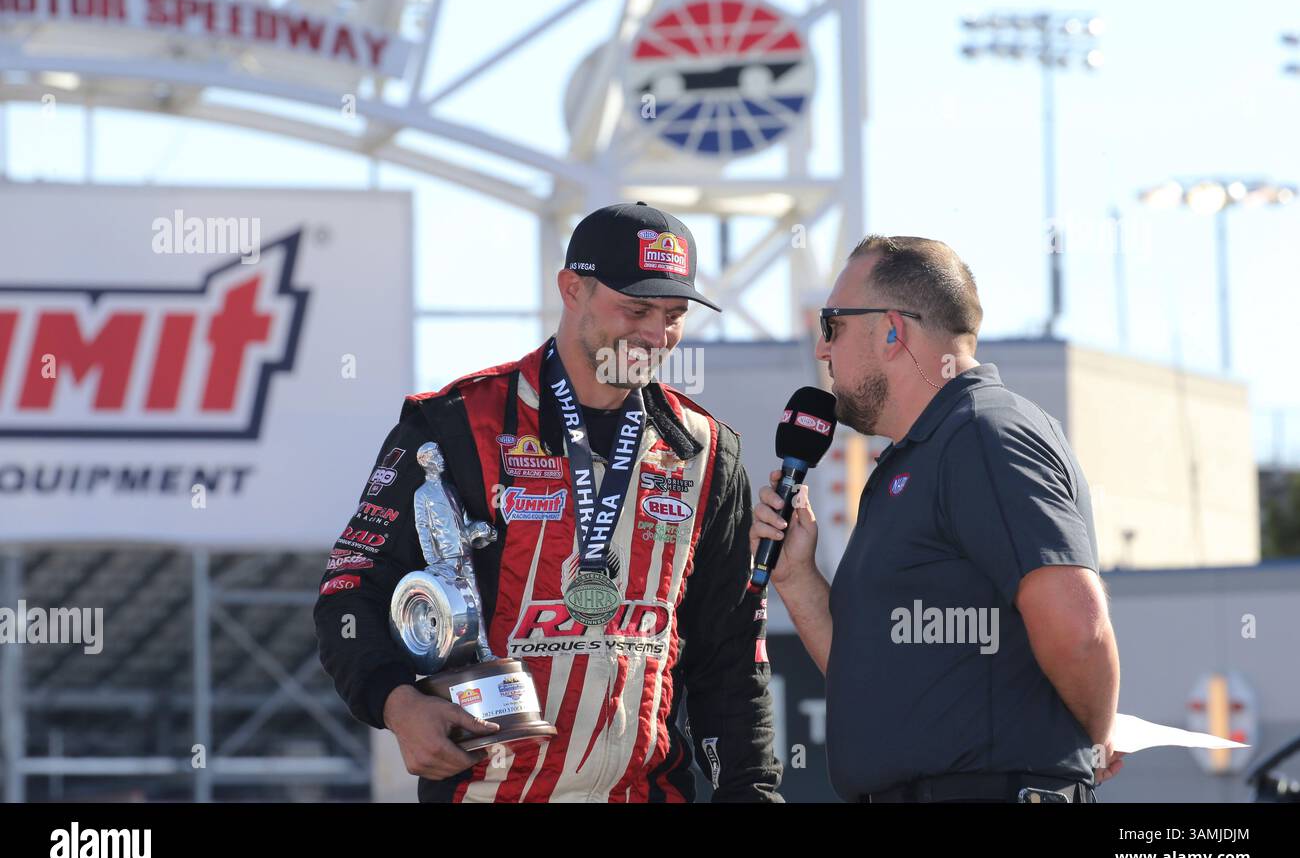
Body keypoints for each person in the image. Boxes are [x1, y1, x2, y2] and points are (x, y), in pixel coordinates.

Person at [315, 201, 781, 803]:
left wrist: (753, 791)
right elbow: (349, 591)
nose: (654, 334)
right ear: (572, 289)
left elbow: (731, 651)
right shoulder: (457, 423)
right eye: (635, 308)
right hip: (483, 791)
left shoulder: (704, 450)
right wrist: (398, 704)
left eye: (673, 314)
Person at [751, 234, 1123, 803]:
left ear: (893, 330)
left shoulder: (984, 434)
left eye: (832, 326)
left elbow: (1079, 630)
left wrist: (1090, 746)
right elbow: (872, 680)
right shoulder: (921, 454)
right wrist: (797, 578)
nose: (822, 351)